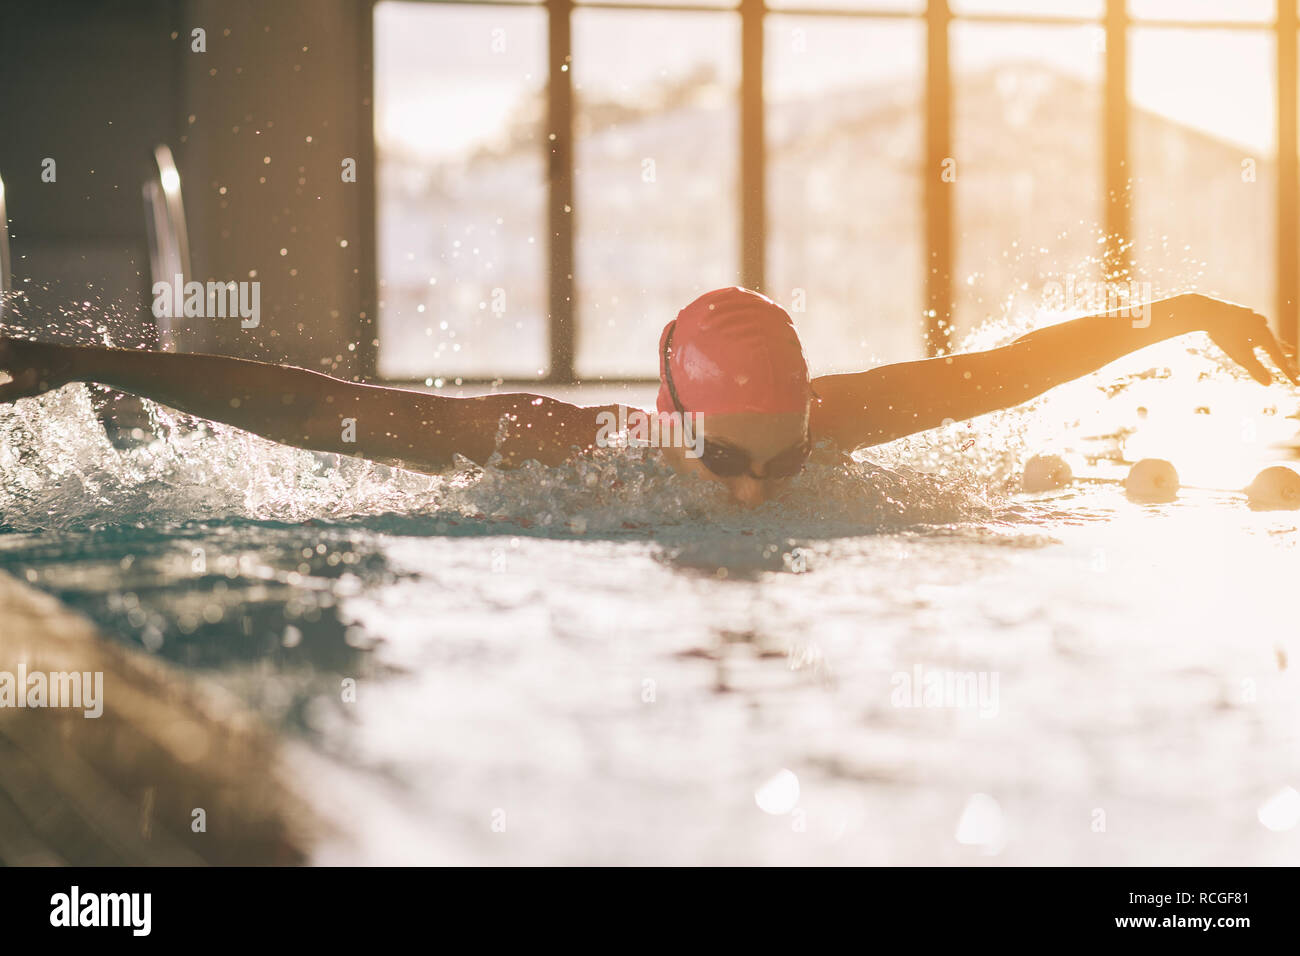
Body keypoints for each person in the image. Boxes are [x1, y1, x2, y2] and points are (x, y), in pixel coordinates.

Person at [0, 287, 1294, 507]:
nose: (755, 493)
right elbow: (320, 408)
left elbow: (998, 379)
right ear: (668, 417)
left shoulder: (833, 420)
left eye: (781, 465)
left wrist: (1181, 314)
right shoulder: (564, 446)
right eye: (726, 462)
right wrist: (91, 360)